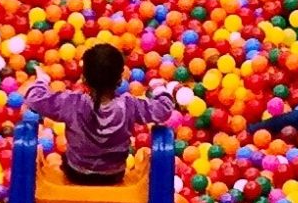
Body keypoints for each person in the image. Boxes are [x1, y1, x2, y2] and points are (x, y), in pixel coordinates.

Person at [20, 44, 179, 185]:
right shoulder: (129, 106)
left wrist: (42, 80)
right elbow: (164, 110)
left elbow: (34, 99)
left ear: (84, 79)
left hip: (76, 173)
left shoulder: (72, 103)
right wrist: (159, 88)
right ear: (119, 81)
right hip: (113, 175)